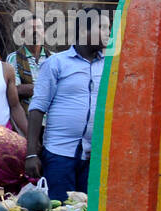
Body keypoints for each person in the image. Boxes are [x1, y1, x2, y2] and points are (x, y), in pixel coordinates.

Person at [26, 35, 105, 201]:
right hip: (59, 154)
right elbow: (37, 107)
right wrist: (31, 154)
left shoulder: (108, 65)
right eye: (102, 27)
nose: (108, 33)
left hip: (94, 156)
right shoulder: (56, 62)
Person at [12, 13, 48, 110]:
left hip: (51, 117)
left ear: (44, 32)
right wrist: (47, 87)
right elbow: (15, 89)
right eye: (31, 28)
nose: (35, 31)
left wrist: (29, 88)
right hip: (25, 117)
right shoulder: (14, 58)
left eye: (39, 27)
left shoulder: (53, 58)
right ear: (23, 33)